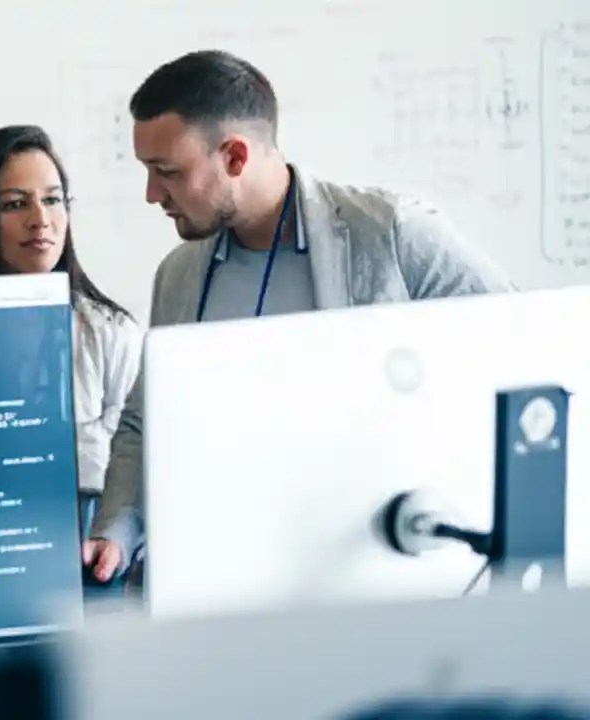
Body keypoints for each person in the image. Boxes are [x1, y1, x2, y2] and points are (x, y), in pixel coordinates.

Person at [83, 50, 513, 582]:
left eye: (167, 172)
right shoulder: (178, 274)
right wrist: (117, 530)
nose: (152, 195)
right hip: (223, 576)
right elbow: (145, 419)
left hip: (366, 571)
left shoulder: (392, 234)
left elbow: (514, 344)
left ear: (235, 157)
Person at [0, 125, 143, 541]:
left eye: (52, 200)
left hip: (89, 541)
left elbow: (134, 464)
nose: (41, 221)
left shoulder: (108, 331)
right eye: (14, 204)